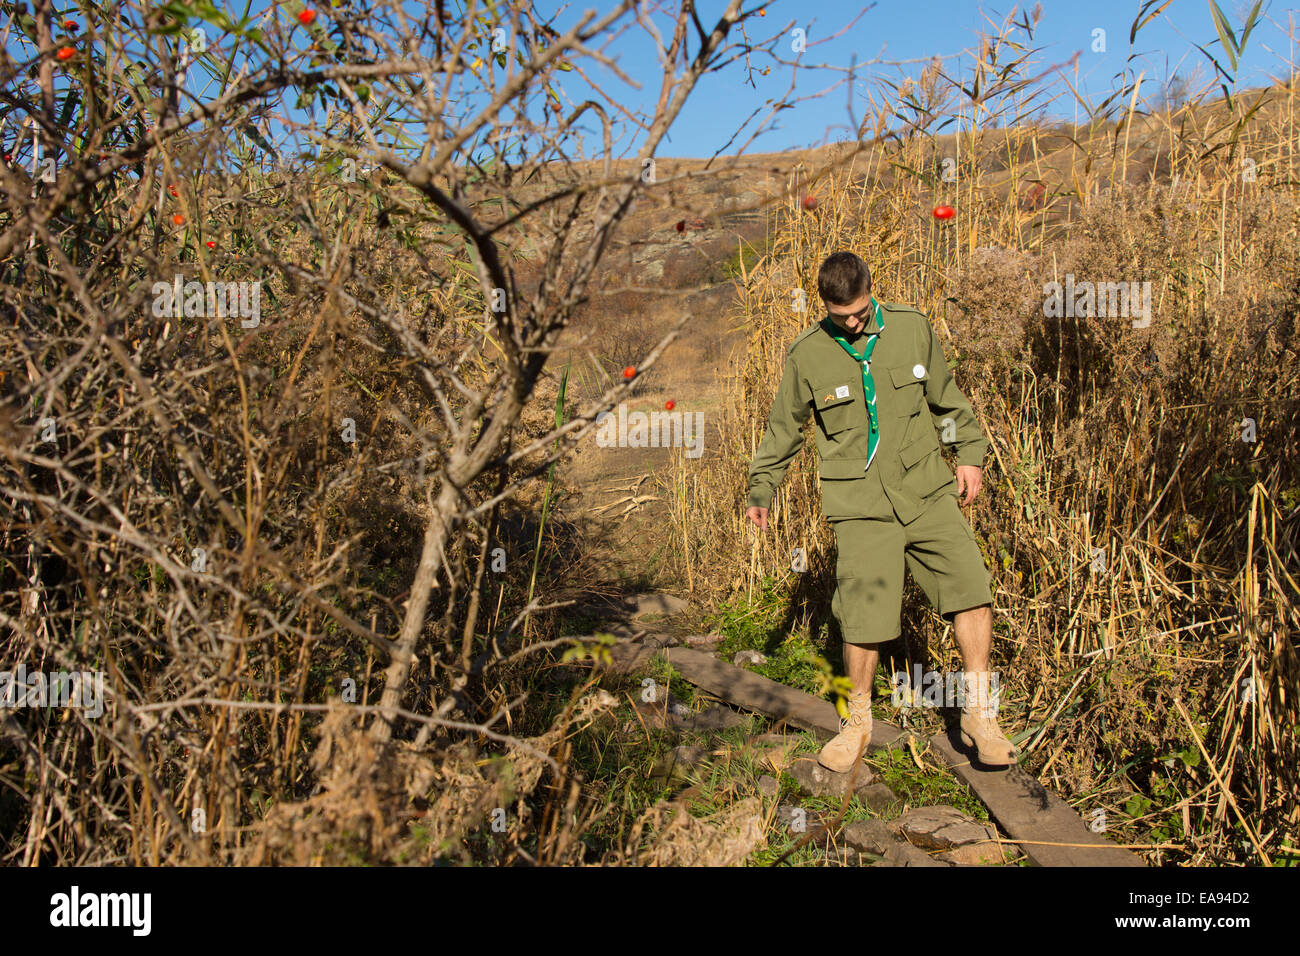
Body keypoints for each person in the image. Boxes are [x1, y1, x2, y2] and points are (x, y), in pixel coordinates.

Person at [745, 251, 1016, 771]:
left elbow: (949, 404)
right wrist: (762, 489)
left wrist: (969, 456)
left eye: (860, 312)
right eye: (840, 315)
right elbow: (784, 429)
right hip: (861, 503)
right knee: (864, 618)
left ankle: (981, 717)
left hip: (926, 490)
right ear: (824, 305)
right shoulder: (807, 354)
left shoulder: (913, 329)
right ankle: (857, 724)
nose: (852, 323)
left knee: (971, 592)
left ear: (873, 291)